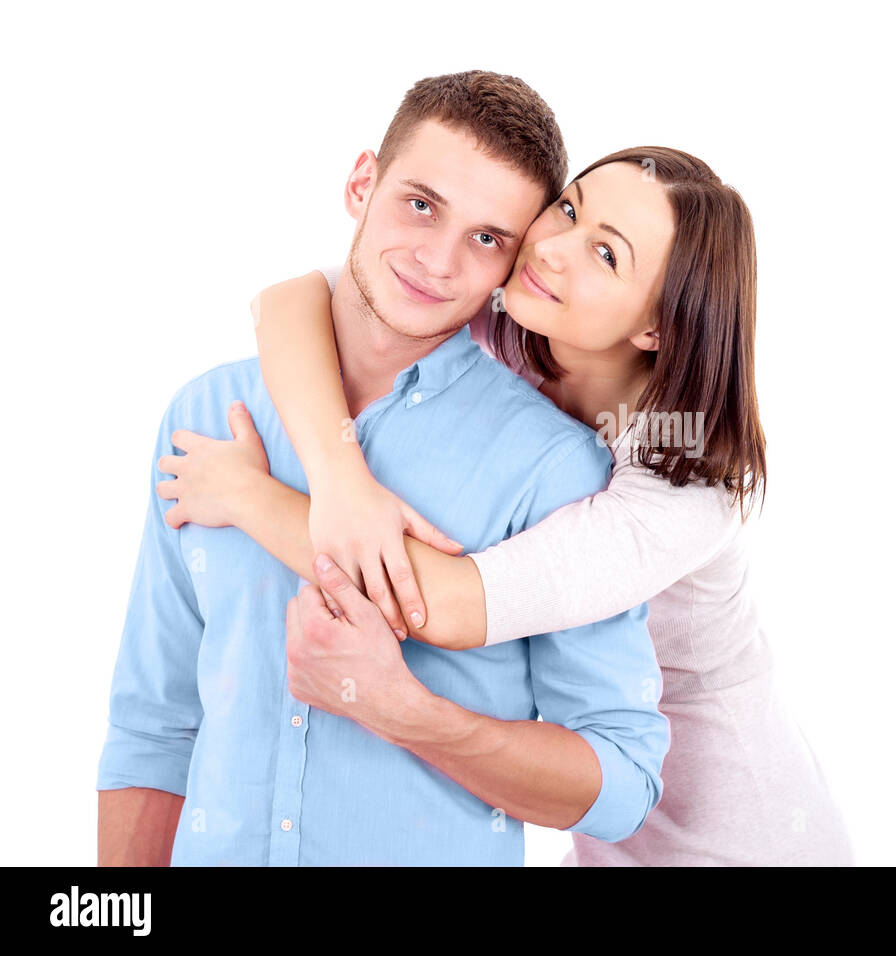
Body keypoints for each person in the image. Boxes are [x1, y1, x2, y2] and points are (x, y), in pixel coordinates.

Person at [165, 135, 856, 865]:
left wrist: (246, 496)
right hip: (587, 802)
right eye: (568, 210)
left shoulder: (682, 489)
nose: (554, 248)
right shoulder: (517, 323)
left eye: (607, 254)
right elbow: (291, 301)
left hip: (732, 827)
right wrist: (339, 476)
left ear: (656, 326)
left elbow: (453, 605)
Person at [96, 71, 670, 867]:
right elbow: (153, 725)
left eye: (486, 238)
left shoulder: (554, 469)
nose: (436, 261)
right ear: (362, 182)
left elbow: (619, 781)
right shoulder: (203, 417)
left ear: (513, 264)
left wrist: (408, 710)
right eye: (421, 203)